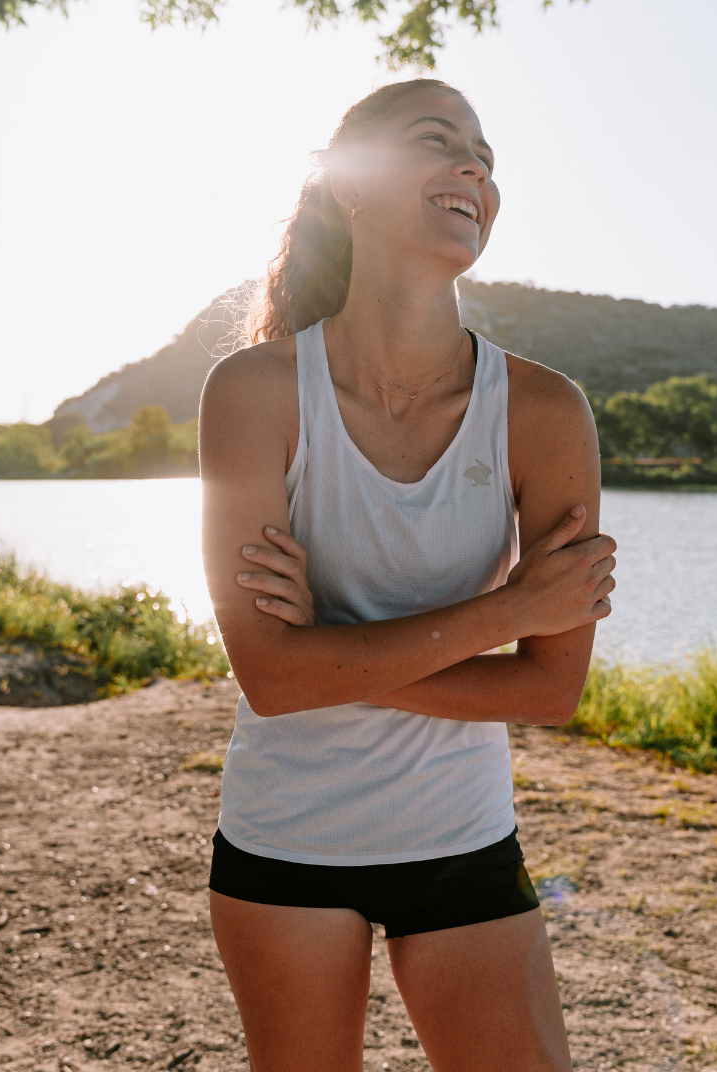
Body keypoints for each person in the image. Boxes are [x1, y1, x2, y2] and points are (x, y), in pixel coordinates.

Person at [198, 78, 616, 1072]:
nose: (474, 166)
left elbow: (548, 688)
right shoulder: (253, 392)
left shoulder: (544, 409)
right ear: (350, 186)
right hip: (283, 846)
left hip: (462, 841)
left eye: (485, 156)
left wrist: (321, 654)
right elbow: (269, 678)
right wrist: (507, 609)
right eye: (440, 142)